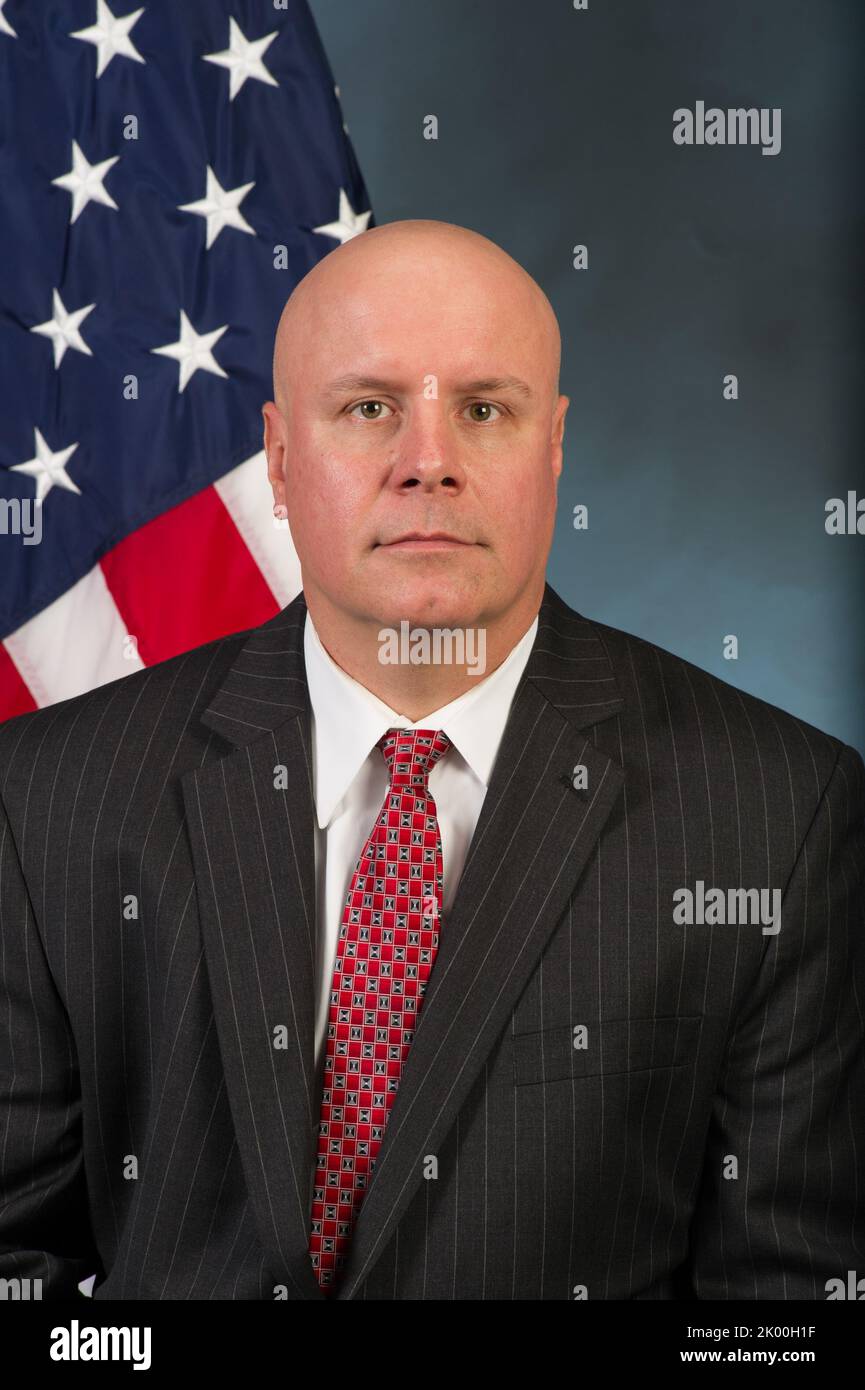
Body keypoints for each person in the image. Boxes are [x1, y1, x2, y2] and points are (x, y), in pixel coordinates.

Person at [0, 220, 862, 1301]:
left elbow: (783, 1309)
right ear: (276, 458)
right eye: (369, 409)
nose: (428, 463)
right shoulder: (45, 799)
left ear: (552, 449)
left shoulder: (780, 815)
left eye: (483, 410)